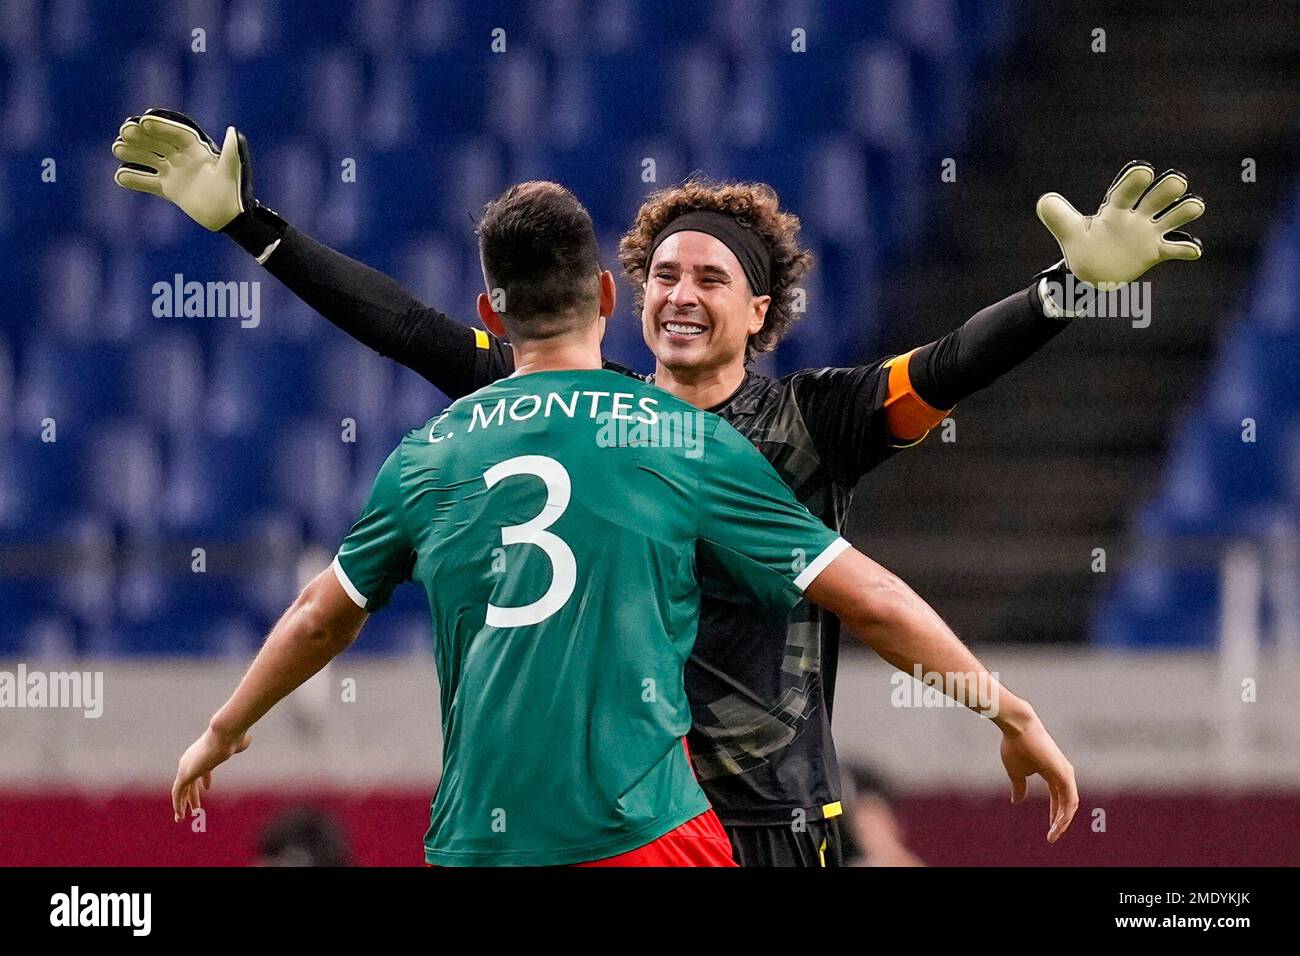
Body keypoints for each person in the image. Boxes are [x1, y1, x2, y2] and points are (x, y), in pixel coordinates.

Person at [117, 110, 1172, 864]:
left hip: (775, 820)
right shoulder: (585, 412)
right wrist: (256, 228)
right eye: (665, 272)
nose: (681, 292)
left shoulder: (817, 420)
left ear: (760, 311)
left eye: (711, 277)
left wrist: (1067, 286)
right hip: (623, 823)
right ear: (627, 293)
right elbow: (408, 329)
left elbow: (951, 363)